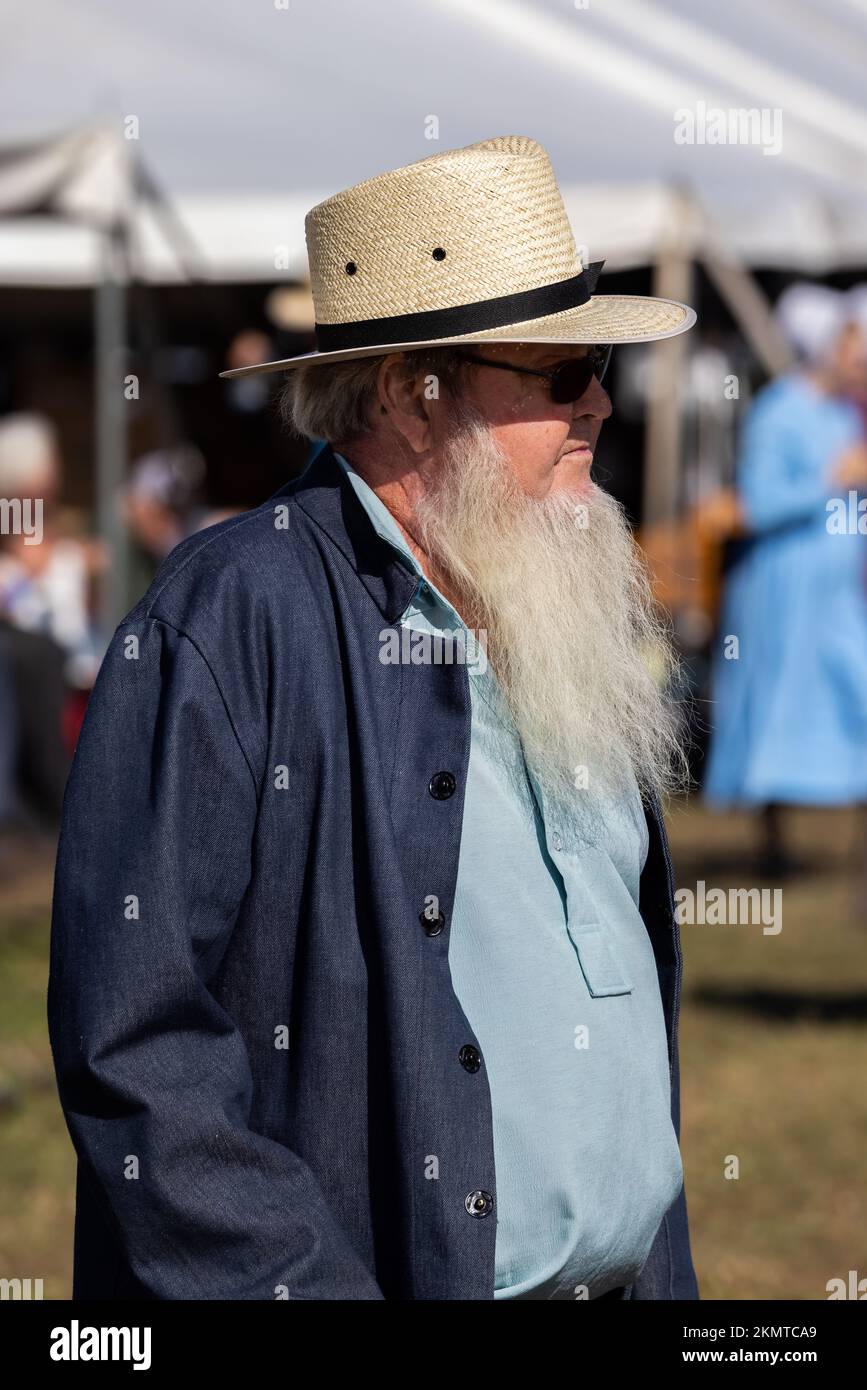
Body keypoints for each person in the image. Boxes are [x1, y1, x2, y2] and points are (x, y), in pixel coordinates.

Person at [48, 135, 699, 1301]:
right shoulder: (234, 615)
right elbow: (136, 1039)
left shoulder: (563, 607)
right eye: (561, 371)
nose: (601, 400)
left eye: (602, 365)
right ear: (411, 392)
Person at [702, 284, 867, 875]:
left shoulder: (840, 414)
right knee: (775, 705)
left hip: (836, 596)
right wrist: (830, 480)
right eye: (851, 343)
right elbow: (756, 504)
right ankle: (772, 854)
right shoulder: (779, 410)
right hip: (782, 595)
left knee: (852, 701)